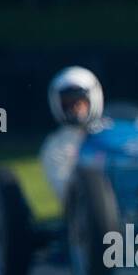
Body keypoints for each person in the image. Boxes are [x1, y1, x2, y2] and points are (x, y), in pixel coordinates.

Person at [40, 66, 104, 199]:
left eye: (80, 102)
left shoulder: (108, 132)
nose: (75, 108)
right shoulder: (56, 145)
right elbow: (65, 191)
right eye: (68, 103)